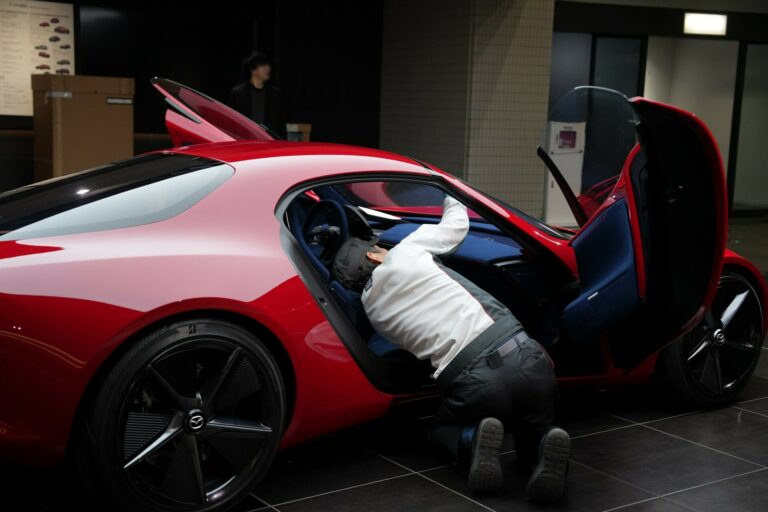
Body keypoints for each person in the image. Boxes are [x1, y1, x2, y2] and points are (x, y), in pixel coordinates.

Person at [332, 194, 570, 502]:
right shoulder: (406, 252)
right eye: (379, 247)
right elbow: (456, 226)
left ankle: (472, 441)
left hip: (475, 384)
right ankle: (540, 446)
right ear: (375, 257)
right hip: (525, 355)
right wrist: (449, 194)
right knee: (533, 422)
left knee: (439, 430)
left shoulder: (374, 313)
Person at [227, 50, 286, 137]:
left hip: (269, 144)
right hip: (244, 143)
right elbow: (230, 123)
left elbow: (280, 125)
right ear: (253, 70)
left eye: (268, 65)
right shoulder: (237, 93)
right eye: (264, 66)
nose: (268, 69)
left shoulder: (275, 94)